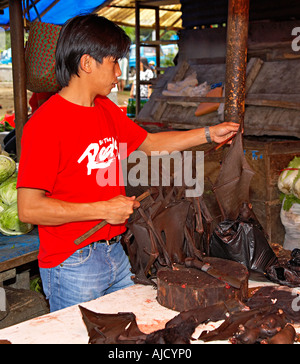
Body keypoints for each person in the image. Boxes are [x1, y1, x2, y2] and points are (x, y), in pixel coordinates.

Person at [17, 14, 239, 312]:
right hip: (72, 263)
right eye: (113, 62)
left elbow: (149, 144)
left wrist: (209, 133)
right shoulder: (46, 125)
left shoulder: (105, 109)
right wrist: (103, 209)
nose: (119, 73)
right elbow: (29, 207)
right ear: (86, 63)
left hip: (114, 254)